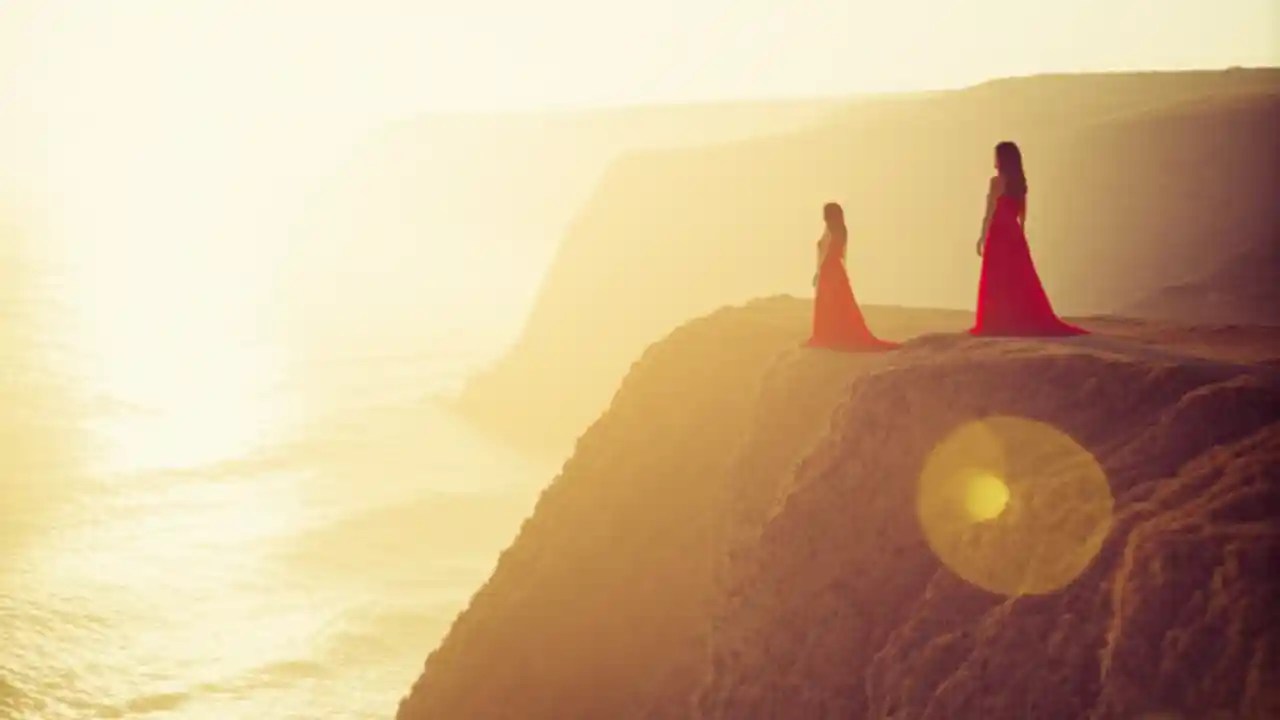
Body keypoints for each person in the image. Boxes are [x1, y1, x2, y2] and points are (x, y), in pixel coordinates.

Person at [971, 142, 1086, 337]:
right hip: (1013, 234)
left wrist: (982, 236)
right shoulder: (1019, 183)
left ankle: (995, 320)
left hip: (998, 234)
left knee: (996, 278)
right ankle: (1018, 318)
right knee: (1019, 278)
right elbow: (1022, 213)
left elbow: (989, 212)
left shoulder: (996, 182)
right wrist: (1020, 235)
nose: (994, 164)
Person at [806, 202, 896, 350]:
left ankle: (835, 336)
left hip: (832, 271)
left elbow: (833, 251)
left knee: (836, 303)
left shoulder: (839, 230)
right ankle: (825, 335)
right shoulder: (830, 229)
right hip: (826, 271)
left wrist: (825, 271)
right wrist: (819, 272)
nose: (824, 217)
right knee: (826, 305)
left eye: (826, 213)